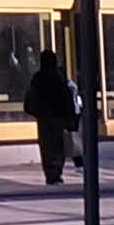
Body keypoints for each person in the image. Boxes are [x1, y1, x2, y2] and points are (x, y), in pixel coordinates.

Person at [24, 44, 76, 193]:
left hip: (44, 117)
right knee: (58, 145)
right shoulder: (59, 78)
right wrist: (71, 117)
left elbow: (31, 98)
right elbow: (66, 99)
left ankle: (50, 173)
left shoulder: (38, 78)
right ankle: (56, 172)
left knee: (46, 146)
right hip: (58, 117)